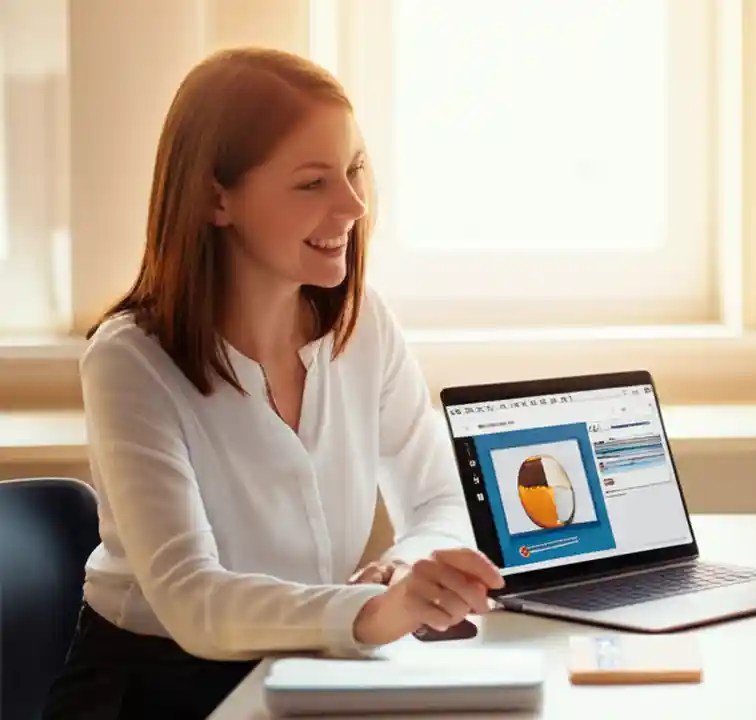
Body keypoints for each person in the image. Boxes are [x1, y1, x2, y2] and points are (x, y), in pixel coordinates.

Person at [42, 48, 502, 719]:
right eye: (312, 183)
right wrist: (371, 612)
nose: (352, 205)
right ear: (216, 197)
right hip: (153, 688)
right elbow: (195, 601)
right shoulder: (130, 362)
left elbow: (439, 496)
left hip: (305, 664)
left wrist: (404, 572)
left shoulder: (361, 322)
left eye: (353, 172)